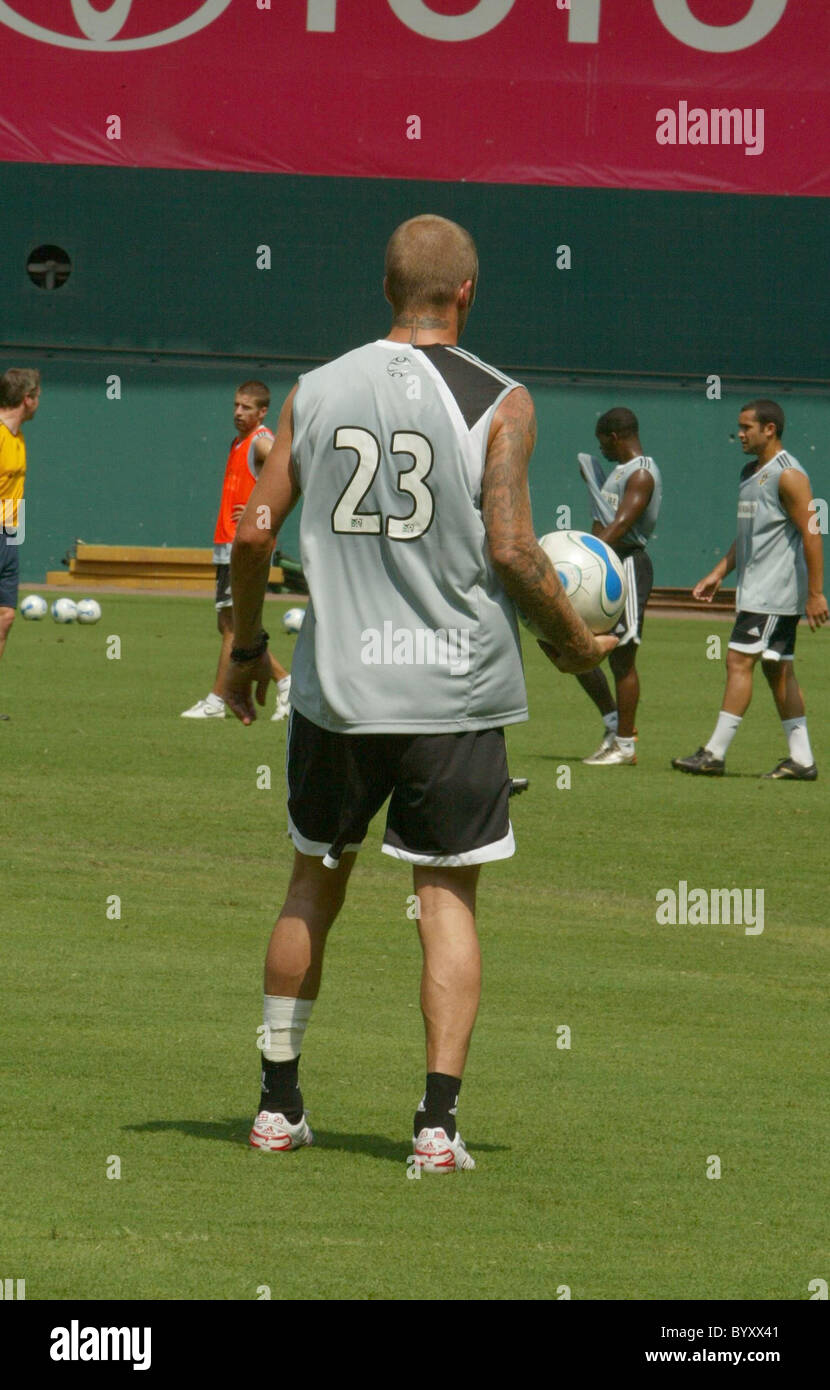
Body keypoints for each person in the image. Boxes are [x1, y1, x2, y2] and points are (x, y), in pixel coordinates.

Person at [223, 214, 616, 1172]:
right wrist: (572, 646)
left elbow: (254, 533)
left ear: (387, 287)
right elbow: (516, 548)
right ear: (467, 294)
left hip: (339, 693)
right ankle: (436, 1128)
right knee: (445, 899)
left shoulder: (315, 391)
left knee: (315, 879)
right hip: (455, 696)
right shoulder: (503, 400)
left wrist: (244, 645)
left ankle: (278, 1108)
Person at [673, 399, 827, 779]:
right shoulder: (749, 472)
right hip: (755, 591)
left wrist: (815, 593)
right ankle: (802, 760)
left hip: (774, 594)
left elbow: (812, 533)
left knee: (738, 661)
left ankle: (714, 752)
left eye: (747, 428)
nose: (740, 434)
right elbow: (748, 535)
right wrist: (719, 572)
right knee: (780, 672)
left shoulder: (788, 474)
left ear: (770, 429)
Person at [181, 381, 291, 721]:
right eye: (235, 406)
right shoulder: (239, 442)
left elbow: (288, 472)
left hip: (241, 546)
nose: (238, 412)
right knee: (227, 623)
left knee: (232, 625)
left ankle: (218, 699)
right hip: (226, 543)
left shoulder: (261, 441)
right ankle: (285, 681)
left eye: (246, 407)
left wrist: (261, 510)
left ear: (262, 412)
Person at [575, 408, 661, 765]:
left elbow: (623, 524)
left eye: (602, 442)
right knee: (572, 644)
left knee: (623, 658)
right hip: (605, 565)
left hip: (624, 565)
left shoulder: (641, 473)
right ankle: (613, 723)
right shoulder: (618, 472)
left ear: (614, 437)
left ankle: (625, 745)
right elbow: (604, 521)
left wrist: (588, 554)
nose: (601, 450)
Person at [0, 367, 41, 722]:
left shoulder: (19, 437)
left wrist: (16, 533)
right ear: (27, 399)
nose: (39, 402)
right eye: (37, 396)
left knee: (6, 617)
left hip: (11, 533)